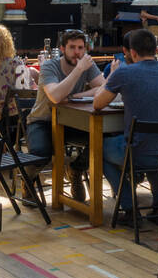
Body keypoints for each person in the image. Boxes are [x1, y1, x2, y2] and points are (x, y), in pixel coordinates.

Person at [92, 28, 158, 224]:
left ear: (131, 53)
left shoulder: (124, 72)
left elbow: (97, 104)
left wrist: (111, 76)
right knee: (154, 142)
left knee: (97, 149)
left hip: (139, 153)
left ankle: (130, 208)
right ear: (156, 51)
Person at [26, 29, 107, 196]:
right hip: (43, 121)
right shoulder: (50, 66)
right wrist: (78, 70)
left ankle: (76, 170)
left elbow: (104, 87)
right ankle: (27, 180)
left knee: (102, 139)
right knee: (41, 154)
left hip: (72, 121)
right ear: (62, 49)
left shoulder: (87, 66)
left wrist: (75, 96)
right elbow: (55, 96)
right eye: (72, 47)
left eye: (80, 48)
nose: (77, 52)